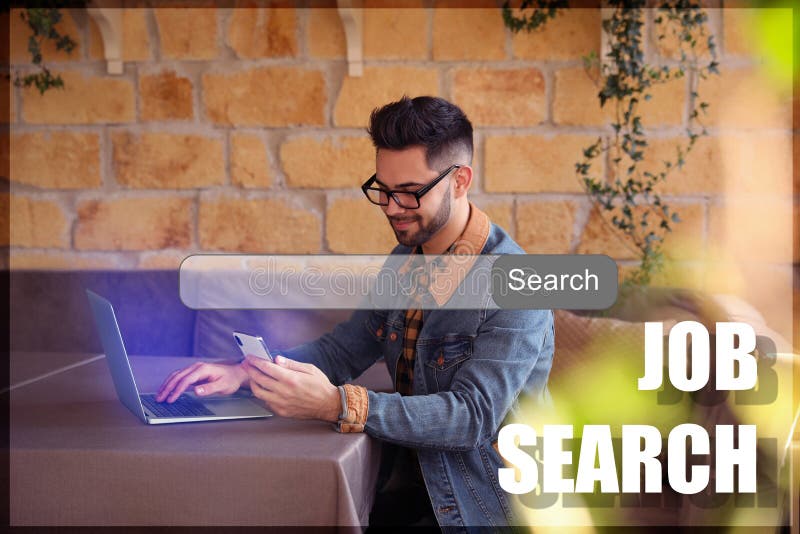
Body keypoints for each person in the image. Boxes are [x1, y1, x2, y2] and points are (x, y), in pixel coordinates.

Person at [156, 95, 555, 528]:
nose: (391, 208)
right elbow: (343, 349)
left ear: (460, 181)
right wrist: (248, 373)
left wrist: (337, 404)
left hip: (485, 510)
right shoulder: (405, 261)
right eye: (383, 190)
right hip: (409, 489)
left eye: (409, 192)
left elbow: (472, 418)